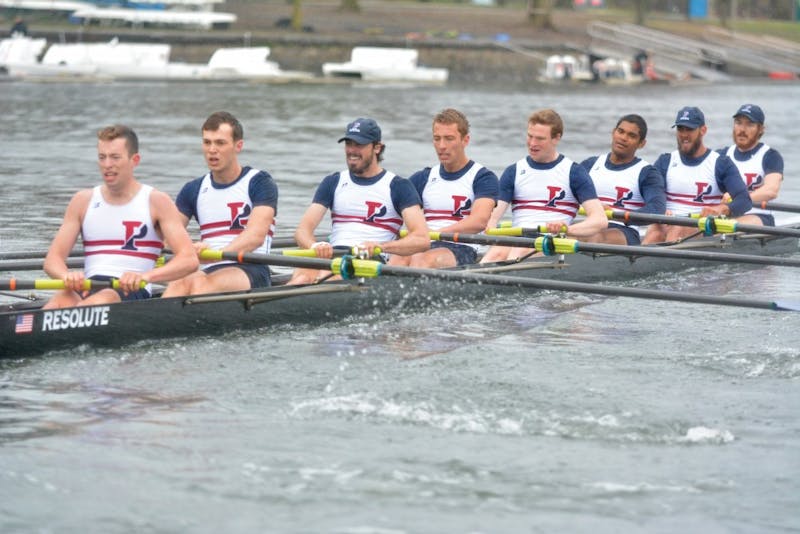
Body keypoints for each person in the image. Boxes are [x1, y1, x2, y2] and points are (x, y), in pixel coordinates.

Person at [43, 125, 198, 309]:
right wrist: (65, 275)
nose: (107, 165)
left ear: (135, 160)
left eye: (115, 157)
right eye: (102, 157)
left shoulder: (156, 201)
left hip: (132, 290)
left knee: (105, 297)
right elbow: (52, 260)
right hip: (89, 285)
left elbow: (189, 260)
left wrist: (145, 277)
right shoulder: (82, 201)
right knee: (62, 297)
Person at [288, 117, 429, 285]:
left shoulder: (399, 186)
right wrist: (314, 246)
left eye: (359, 145)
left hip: (370, 259)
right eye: (349, 144)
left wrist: (381, 246)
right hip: (334, 255)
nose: (352, 151)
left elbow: (422, 239)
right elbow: (302, 231)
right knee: (302, 278)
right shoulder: (333, 182)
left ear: (377, 148)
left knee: (332, 278)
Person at [162, 111, 278, 297]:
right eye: (207, 142)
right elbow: (168, 239)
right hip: (209, 269)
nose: (212, 150)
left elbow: (255, 236)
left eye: (220, 143)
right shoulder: (193, 189)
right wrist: (189, 249)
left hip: (250, 269)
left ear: (238, 146)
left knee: (198, 284)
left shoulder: (259, 182)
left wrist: (213, 253)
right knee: (177, 284)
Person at [480, 109, 608, 263]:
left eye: (540, 139)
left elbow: (600, 220)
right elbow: (492, 216)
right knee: (495, 254)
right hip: (518, 238)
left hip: (552, 242)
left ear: (556, 138)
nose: (532, 143)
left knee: (518, 251)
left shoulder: (574, 172)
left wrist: (567, 229)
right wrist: (489, 225)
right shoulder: (513, 171)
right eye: (530, 136)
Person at [389, 108, 498, 268]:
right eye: (437, 138)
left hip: (463, 246)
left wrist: (439, 233)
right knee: (396, 260)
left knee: (421, 260)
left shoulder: (483, 178)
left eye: (449, 139)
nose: (441, 146)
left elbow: (479, 221)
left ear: (465, 140)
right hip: (424, 243)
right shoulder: (422, 178)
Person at [641, 106, 752, 244]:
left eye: (690, 129)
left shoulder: (721, 163)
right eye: (680, 129)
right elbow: (650, 193)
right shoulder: (665, 161)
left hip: (702, 227)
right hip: (665, 222)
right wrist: (659, 208)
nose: (684, 134)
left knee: (677, 230)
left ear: (703, 130)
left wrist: (722, 209)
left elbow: (744, 200)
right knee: (654, 235)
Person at [580, 114, 666, 245]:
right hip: (590, 227)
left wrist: (617, 214)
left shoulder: (647, 173)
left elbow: (657, 208)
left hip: (625, 232)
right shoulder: (590, 165)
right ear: (613, 132)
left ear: (641, 144)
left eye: (631, 136)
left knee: (593, 236)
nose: (623, 138)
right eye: (620, 132)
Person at [717, 104, 784, 226]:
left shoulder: (770, 156)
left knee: (722, 227)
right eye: (738, 123)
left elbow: (771, 191)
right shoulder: (722, 155)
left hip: (758, 215)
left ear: (761, 129)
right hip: (725, 214)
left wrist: (738, 200)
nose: (742, 129)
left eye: (750, 124)